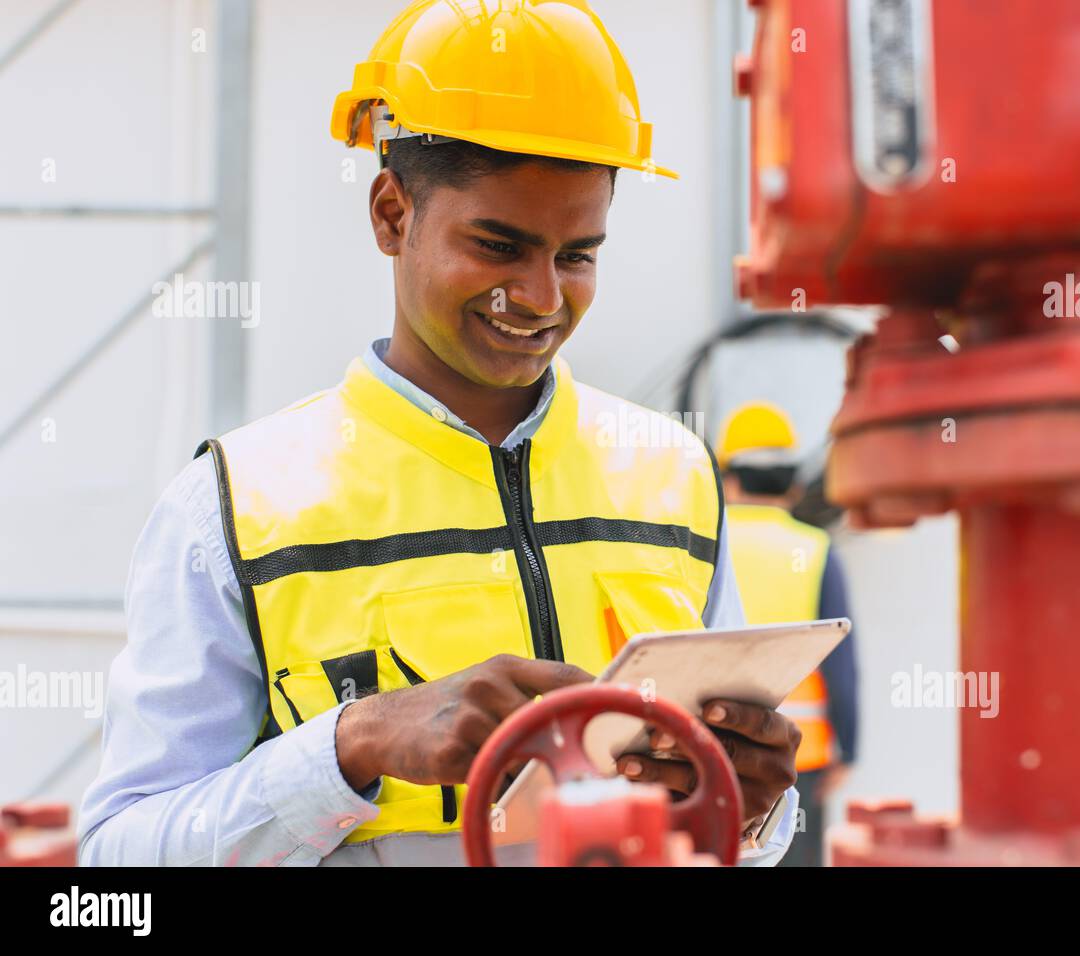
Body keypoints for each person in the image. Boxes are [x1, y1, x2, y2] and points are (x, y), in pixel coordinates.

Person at [77, 0, 800, 866]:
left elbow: (725, 838)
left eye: (577, 255)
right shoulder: (235, 507)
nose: (539, 297)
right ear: (391, 214)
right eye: (498, 246)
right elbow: (119, 862)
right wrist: (352, 743)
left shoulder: (674, 477)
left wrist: (750, 811)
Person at [716, 401, 859, 867]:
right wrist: (849, 747)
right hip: (800, 756)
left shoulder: (705, 543)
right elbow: (842, 666)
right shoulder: (816, 550)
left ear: (728, 481)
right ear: (796, 487)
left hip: (713, 750)